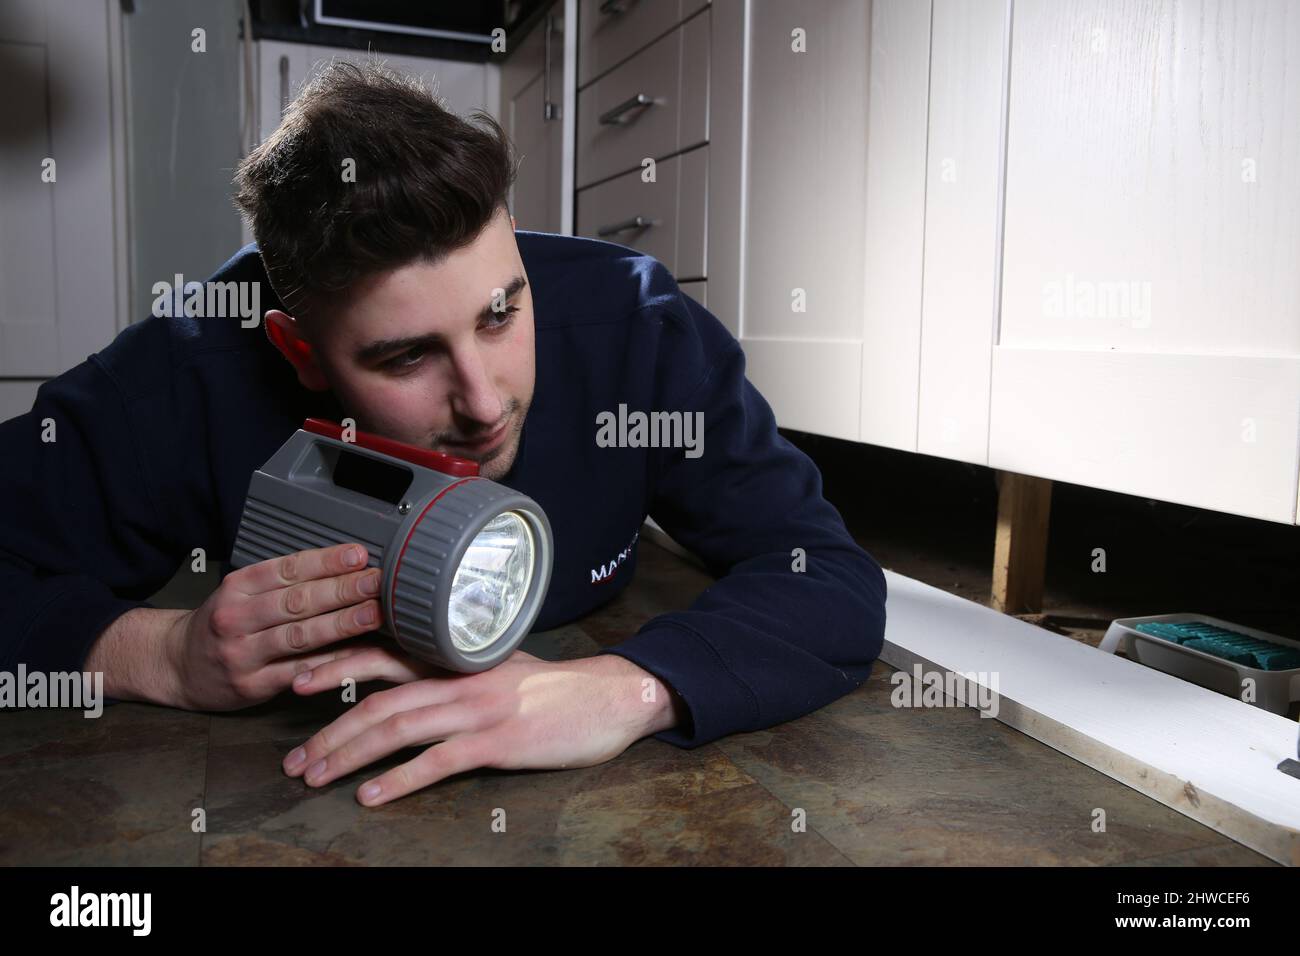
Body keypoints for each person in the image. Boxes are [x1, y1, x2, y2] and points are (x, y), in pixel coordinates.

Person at [0, 62, 886, 806]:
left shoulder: (637, 332)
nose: (484, 400)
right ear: (299, 352)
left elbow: (828, 574)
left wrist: (631, 689)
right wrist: (160, 655)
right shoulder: (186, 374)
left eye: (501, 313)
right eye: (406, 357)